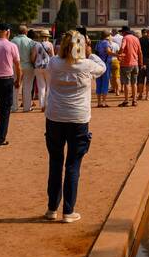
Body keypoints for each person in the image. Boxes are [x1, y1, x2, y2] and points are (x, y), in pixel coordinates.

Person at [43, 31, 107, 223]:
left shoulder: (54, 62)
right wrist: (90, 52)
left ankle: (52, 209)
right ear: (82, 46)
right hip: (78, 119)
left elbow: (49, 69)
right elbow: (102, 67)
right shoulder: (87, 65)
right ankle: (68, 212)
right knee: (73, 165)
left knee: (55, 163)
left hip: (55, 117)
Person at [10, 24, 36, 113]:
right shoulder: (31, 41)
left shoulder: (13, 41)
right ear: (26, 32)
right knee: (28, 87)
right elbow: (33, 56)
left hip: (16, 66)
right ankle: (27, 107)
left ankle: (14, 106)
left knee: (15, 86)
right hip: (28, 65)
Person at [31, 29, 55, 112]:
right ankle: (47, 104)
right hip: (48, 67)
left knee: (41, 86)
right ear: (47, 37)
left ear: (41, 36)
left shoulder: (36, 45)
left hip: (38, 67)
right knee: (49, 86)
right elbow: (53, 56)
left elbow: (33, 57)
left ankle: (42, 106)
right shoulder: (50, 44)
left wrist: (34, 63)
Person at [117, 26, 141, 107]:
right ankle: (134, 100)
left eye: (122, 32)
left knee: (126, 83)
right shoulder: (136, 38)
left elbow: (122, 48)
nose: (122, 33)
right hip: (135, 63)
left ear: (124, 32)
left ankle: (126, 101)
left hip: (126, 63)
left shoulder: (125, 38)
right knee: (134, 83)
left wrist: (119, 54)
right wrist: (140, 63)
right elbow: (140, 52)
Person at [93, 32, 116, 108]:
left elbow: (96, 52)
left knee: (99, 83)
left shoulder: (98, 42)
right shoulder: (106, 43)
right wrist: (117, 55)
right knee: (105, 83)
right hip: (106, 64)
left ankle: (99, 102)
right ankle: (104, 102)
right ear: (107, 36)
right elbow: (108, 51)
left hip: (98, 64)